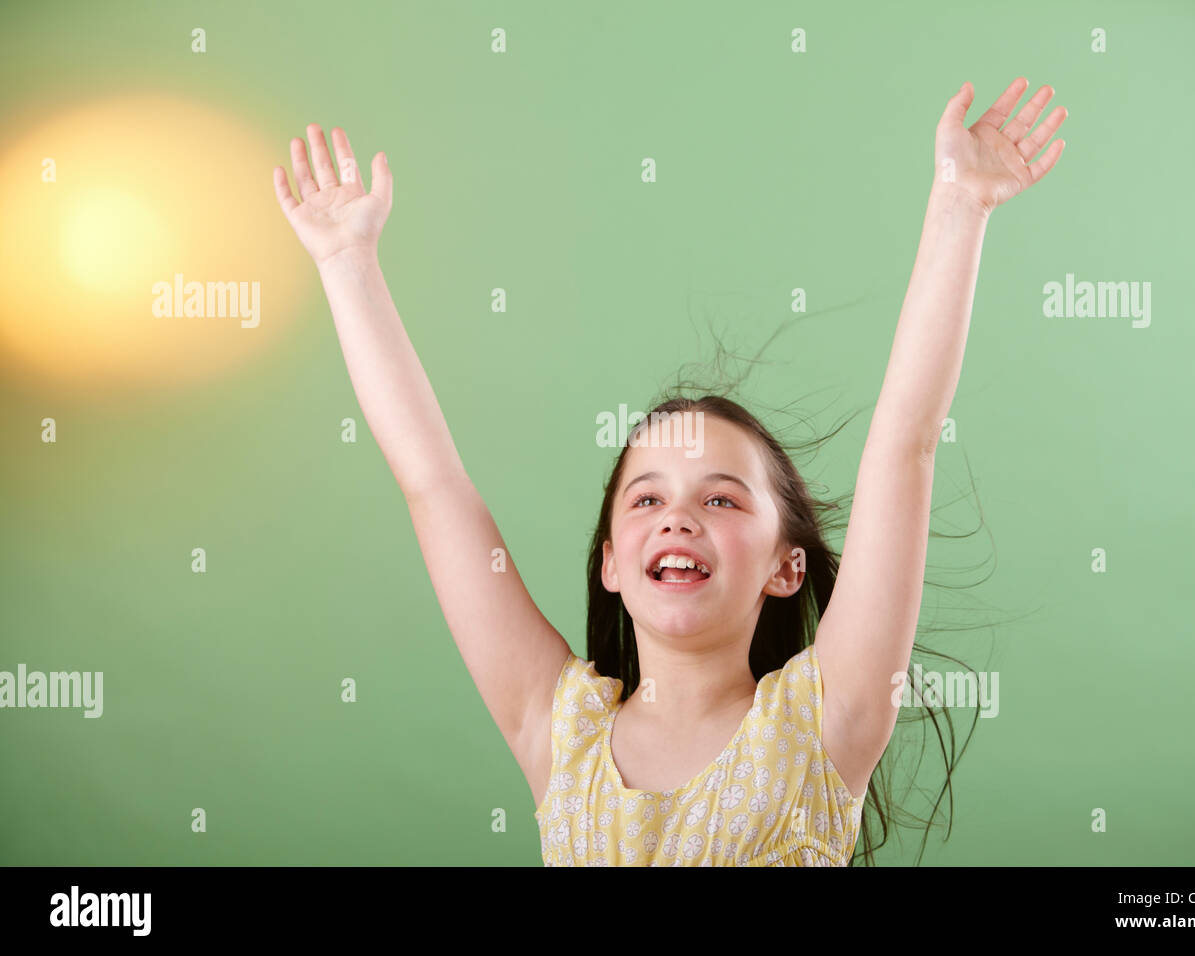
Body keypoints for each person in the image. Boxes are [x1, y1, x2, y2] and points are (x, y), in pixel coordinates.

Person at [272, 77, 1067, 865]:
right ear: (613, 562)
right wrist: (347, 263)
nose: (678, 518)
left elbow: (906, 442)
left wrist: (959, 207)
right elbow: (433, 484)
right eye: (647, 497)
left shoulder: (827, 721)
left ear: (788, 567)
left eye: (722, 498)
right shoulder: (560, 731)